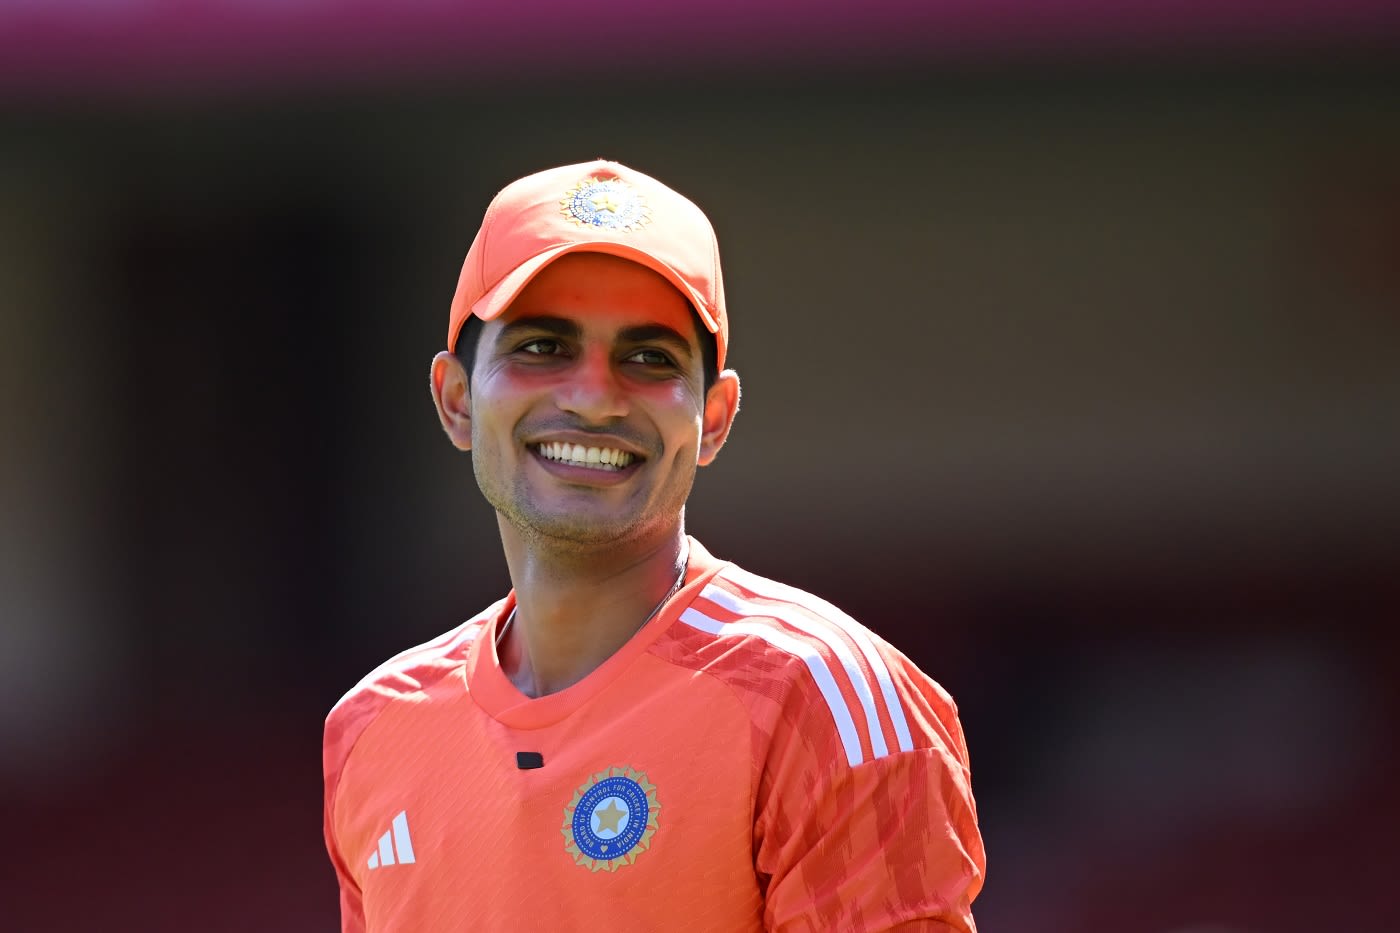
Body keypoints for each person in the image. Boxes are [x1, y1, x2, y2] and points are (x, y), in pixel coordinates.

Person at [322, 159, 985, 931]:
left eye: (648, 358)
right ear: (456, 398)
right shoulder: (374, 728)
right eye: (542, 346)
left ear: (716, 415)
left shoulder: (823, 700)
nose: (594, 395)